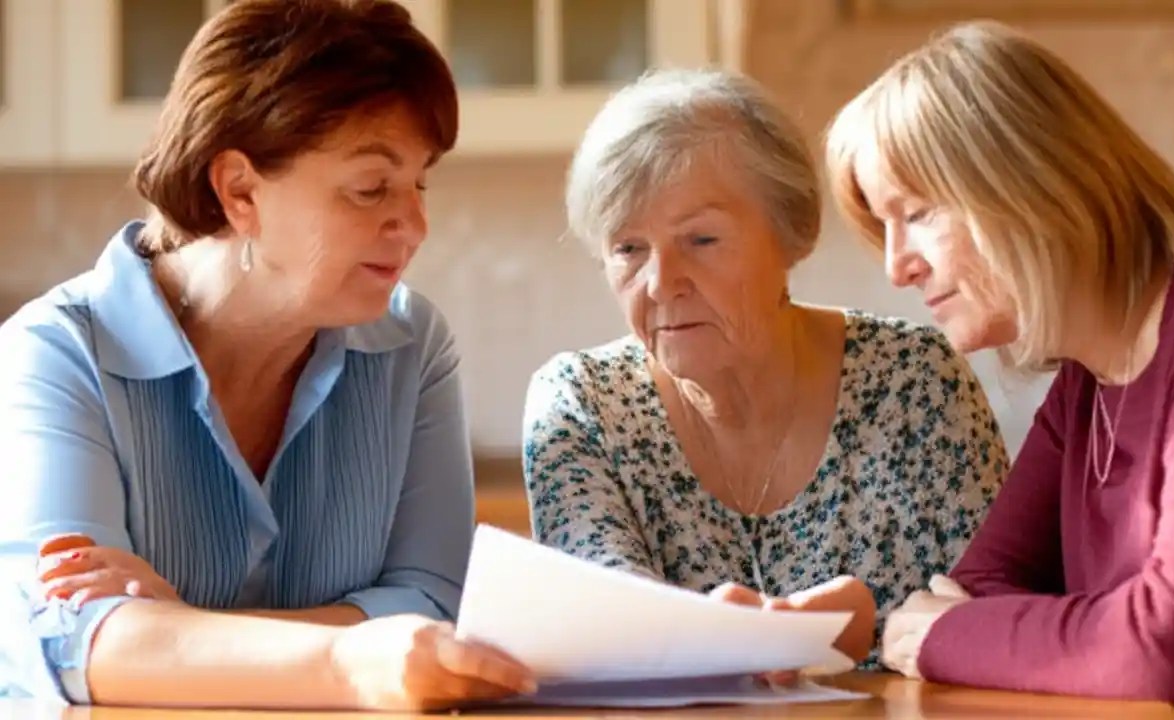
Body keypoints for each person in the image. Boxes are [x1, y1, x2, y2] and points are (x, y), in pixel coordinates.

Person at [0, 0, 534, 710]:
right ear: (240, 191)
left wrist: (182, 634)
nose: (414, 223)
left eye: (419, 183)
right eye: (370, 188)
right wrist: (349, 657)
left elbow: (436, 605)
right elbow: (72, 641)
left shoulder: (412, 346)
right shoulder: (57, 354)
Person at [825, 19, 1174, 719]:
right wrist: (1108, 636)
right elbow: (975, 590)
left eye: (916, 213)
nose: (897, 267)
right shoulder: (1085, 384)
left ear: (1028, 183)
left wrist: (960, 635)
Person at [521, 68, 1008, 666]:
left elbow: (995, 618)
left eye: (701, 239)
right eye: (628, 248)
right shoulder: (581, 406)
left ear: (789, 234)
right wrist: (805, 636)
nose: (661, 283)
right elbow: (614, 636)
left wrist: (848, 630)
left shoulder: (915, 381)